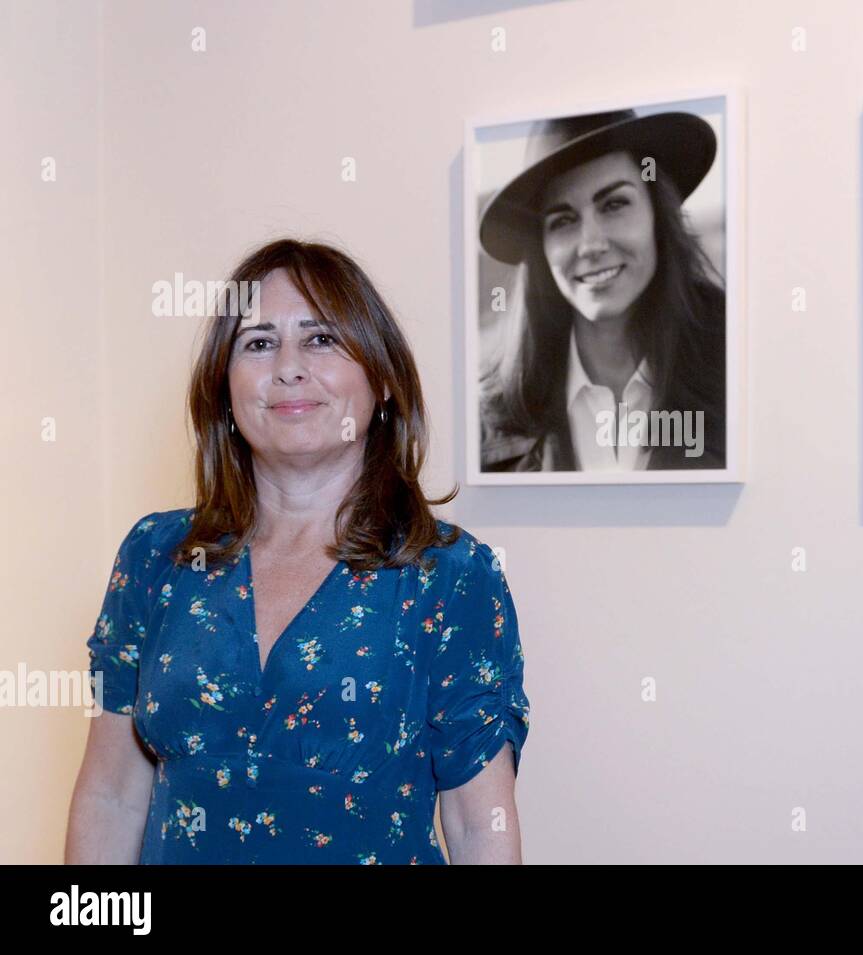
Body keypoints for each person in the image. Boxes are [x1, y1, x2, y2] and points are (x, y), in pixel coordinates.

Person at [66, 239, 530, 864]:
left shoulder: (449, 575)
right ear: (224, 390)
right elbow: (112, 795)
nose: (288, 367)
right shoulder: (156, 557)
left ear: (384, 378)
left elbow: (482, 826)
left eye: (320, 339)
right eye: (258, 342)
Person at [477, 109, 727, 471]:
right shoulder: (493, 423)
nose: (590, 244)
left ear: (658, 215)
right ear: (542, 249)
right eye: (563, 220)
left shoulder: (737, 372)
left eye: (613, 204)